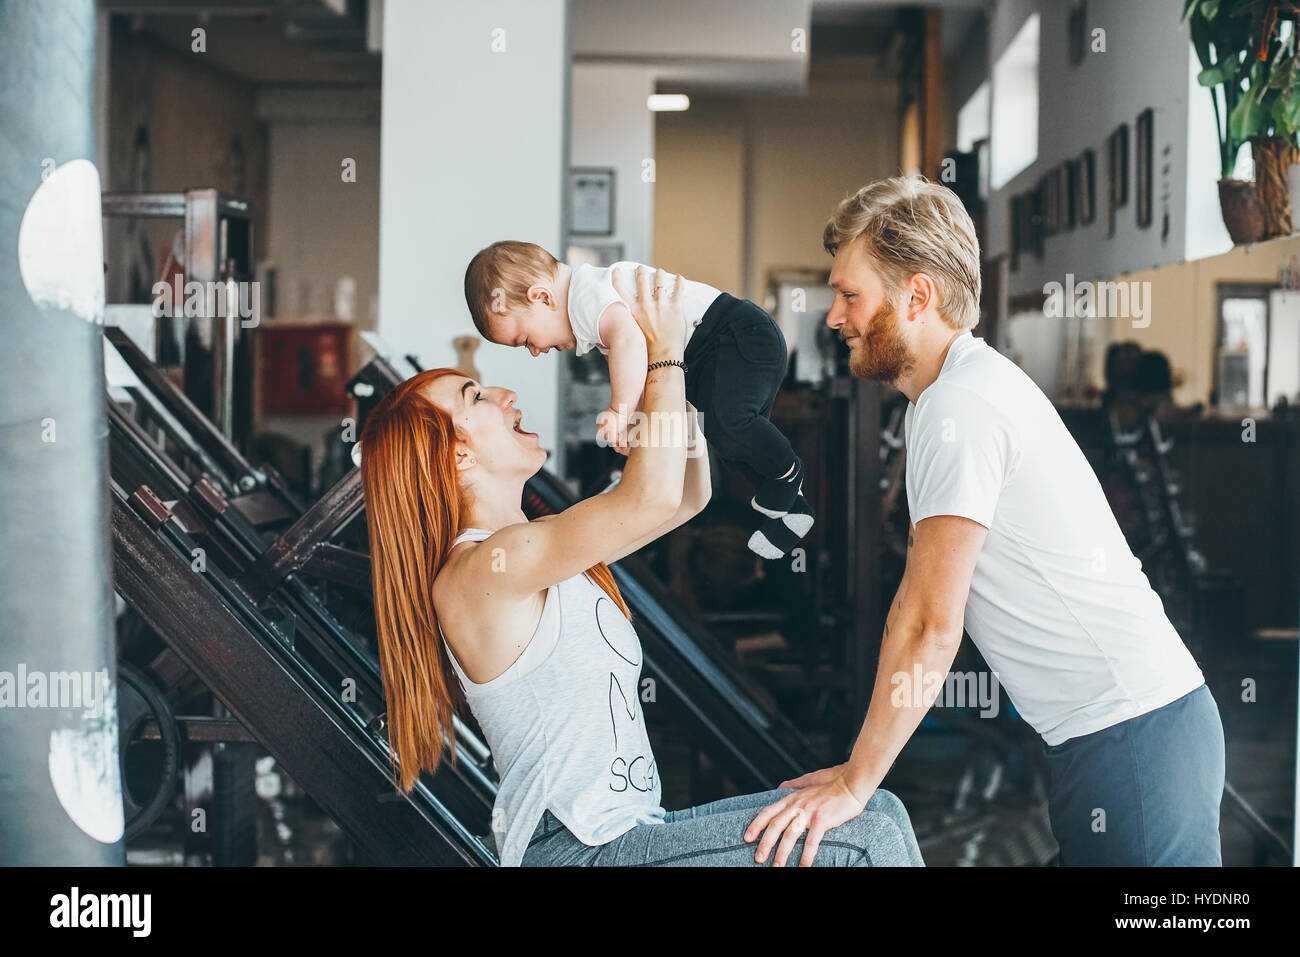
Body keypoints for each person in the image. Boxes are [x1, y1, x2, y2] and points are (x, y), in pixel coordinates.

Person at [360, 265, 923, 867]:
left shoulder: (537, 551)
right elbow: (649, 497)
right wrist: (661, 357)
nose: (506, 393)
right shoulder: (483, 570)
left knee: (876, 809)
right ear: (459, 455)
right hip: (581, 850)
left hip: (630, 830)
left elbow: (684, 497)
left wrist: (684, 371)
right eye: (476, 397)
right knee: (869, 842)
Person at [745, 175, 1224, 867]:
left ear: (918, 295)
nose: (833, 316)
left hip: (1132, 741)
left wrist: (857, 782)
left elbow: (931, 625)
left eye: (850, 295)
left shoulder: (959, 406)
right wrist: (856, 764)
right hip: (1112, 738)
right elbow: (917, 602)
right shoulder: (950, 394)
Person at [463, 241, 812, 559]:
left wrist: (620, 410)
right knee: (731, 442)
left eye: (525, 340)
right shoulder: (590, 314)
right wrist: (637, 422)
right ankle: (792, 510)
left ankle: (788, 472)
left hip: (736, 335)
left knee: (729, 424)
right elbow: (643, 366)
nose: (536, 352)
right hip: (713, 352)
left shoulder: (587, 297)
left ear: (542, 297)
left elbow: (630, 343)